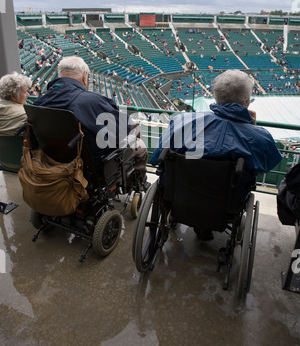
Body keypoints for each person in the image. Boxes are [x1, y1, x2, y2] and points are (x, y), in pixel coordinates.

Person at [151, 69, 282, 239]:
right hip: (225, 205)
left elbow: (156, 158)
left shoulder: (181, 121)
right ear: (246, 102)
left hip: (179, 196)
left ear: (216, 96)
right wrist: (253, 127)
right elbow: (264, 167)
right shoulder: (260, 137)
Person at [34, 56, 148, 179]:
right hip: (89, 168)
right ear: (84, 76)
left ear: (60, 75)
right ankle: (139, 179)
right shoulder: (91, 101)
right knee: (139, 143)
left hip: (50, 162)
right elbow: (124, 127)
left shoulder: (40, 101)